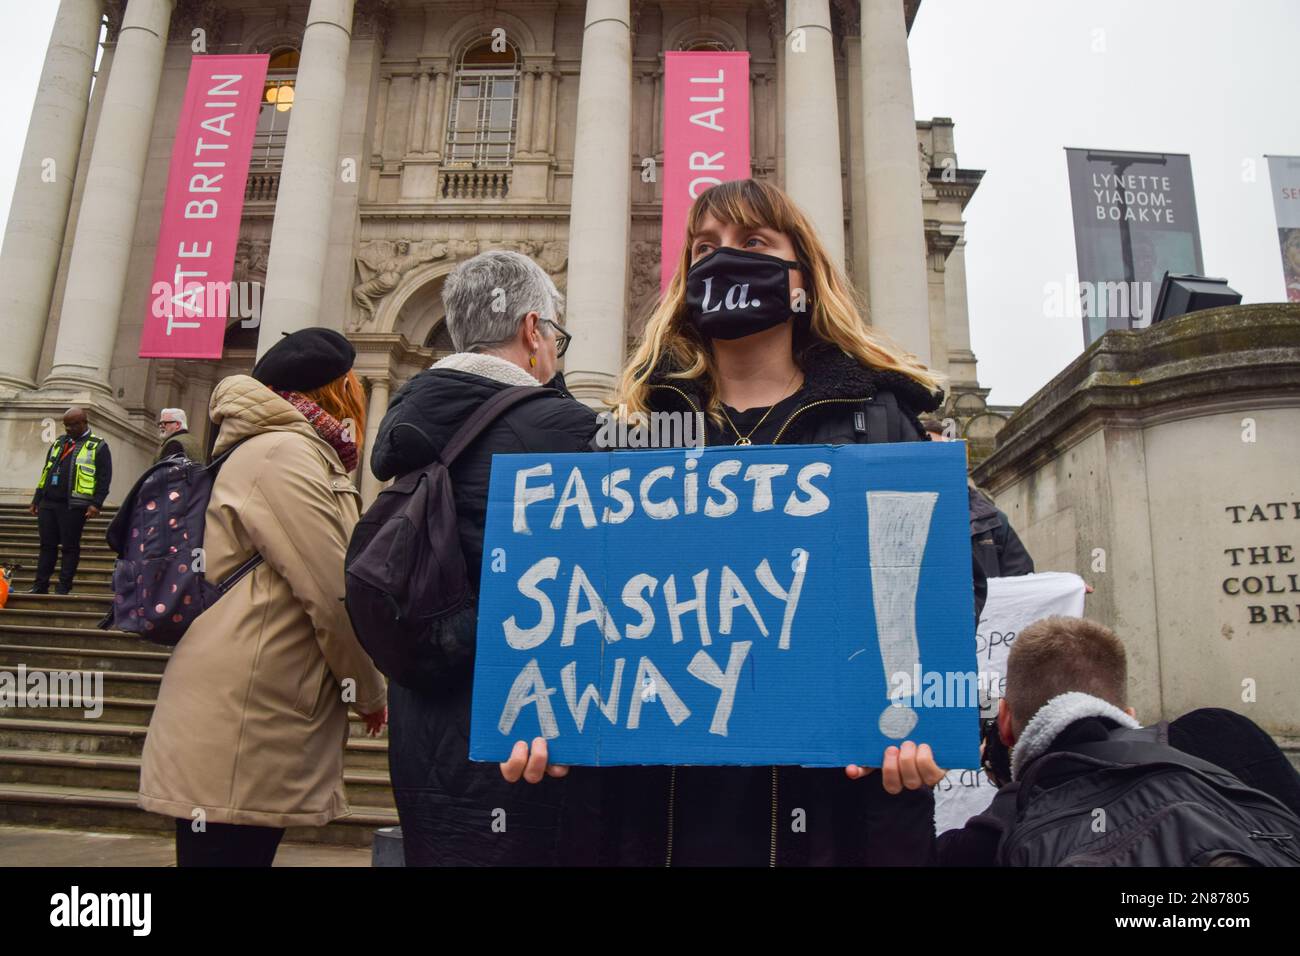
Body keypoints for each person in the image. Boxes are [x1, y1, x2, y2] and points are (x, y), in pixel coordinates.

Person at [502, 178, 960, 865]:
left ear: (800, 274)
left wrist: (919, 722)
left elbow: (942, 589)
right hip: (659, 811)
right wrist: (549, 727)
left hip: (828, 809)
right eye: (705, 246)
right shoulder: (634, 434)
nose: (725, 259)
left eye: (753, 243)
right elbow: (581, 612)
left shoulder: (879, 423)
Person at [369, 250, 599, 866]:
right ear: (532, 331)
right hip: (534, 733)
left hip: (424, 727)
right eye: (555, 335)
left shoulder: (410, 421)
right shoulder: (569, 433)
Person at [138, 328, 388, 867]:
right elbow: (331, 591)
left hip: (252, 696)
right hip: (249, 706)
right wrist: (369, 689)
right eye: (352, 385)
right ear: (334, 390)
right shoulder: (285, 453)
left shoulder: (278, 448)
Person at [936, 616, 1300, 865]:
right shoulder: (1224, 733)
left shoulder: (997, 831)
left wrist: (906, 794)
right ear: (1127, 712)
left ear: (1004, 722)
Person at [28, 406, 112, 595]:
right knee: (47, 545)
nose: (68, 429)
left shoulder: (98, 446)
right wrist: (36, 499)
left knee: (69, 546)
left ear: (84, 423)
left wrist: (96, 503)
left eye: (72, 425)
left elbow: (104, 478)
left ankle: (63, 587)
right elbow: (46, 471)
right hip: (48, 503)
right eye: (66, 426)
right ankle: (40, 585)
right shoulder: (59, 443)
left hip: (74, 505)